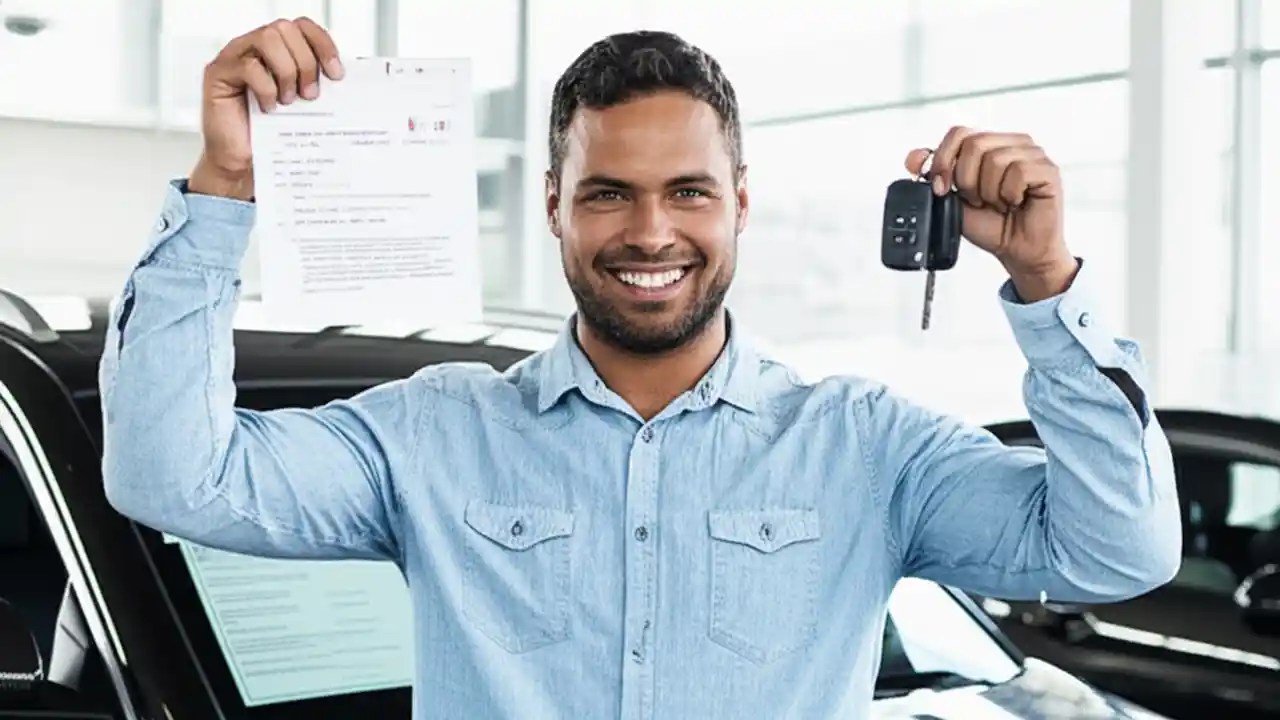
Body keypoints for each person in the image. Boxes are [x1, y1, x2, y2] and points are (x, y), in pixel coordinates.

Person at [99, 17, 1181, 719]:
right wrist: (223, 187)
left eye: (688, 192)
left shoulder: (864, 444)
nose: (650, 231)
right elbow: (170, 476)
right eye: (609, 193)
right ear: (554, 207)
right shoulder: (431, 434)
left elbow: (1116, 550)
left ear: (739, 203)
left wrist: (1046, 282)